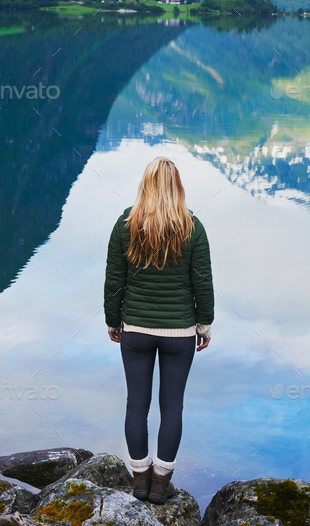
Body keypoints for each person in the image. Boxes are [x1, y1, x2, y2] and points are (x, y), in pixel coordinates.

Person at [103, 155, 214, 505]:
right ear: (177, 186)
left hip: (135, 329)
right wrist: (204, 323)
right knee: (172, 407)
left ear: (146, 185)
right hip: (179, 333)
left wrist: (112, 319)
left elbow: (114, 281)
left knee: (136, 404)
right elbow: (202, 281)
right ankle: (162, 484)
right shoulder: (192, 226)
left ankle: (139, 480)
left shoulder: (126, 223)